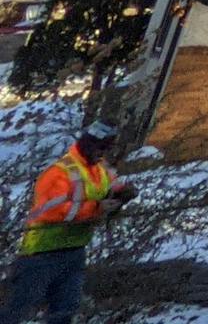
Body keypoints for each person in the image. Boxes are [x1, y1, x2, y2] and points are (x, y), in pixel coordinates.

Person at [4, 119, 134, 324]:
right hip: (41, 253)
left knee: (64, 311)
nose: (102, 153)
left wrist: (122, 194)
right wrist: (96, 208)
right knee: (19, 310)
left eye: (106, 148)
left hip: (74, 251)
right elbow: (51, 211)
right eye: (100, 148)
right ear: (87, 144)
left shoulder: (101, 170)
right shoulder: (59, 172)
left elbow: (112, 187)